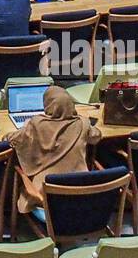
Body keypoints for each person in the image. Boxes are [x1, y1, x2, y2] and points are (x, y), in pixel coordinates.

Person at [5, 86, 102, 214]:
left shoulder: (36, 123)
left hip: (44, 195)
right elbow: (96, 136)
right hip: (80, 189)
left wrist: (22, 128)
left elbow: (12, 139)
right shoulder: (83, 123)